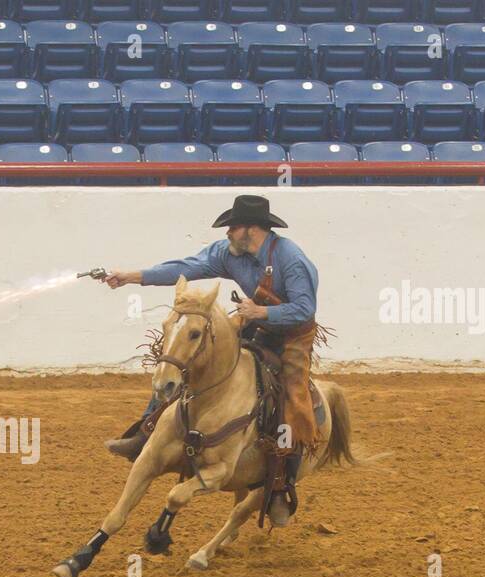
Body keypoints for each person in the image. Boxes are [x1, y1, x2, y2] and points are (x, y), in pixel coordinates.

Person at [100, 194, 323, 523]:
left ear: (251, 230)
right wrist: (132, 276)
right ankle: (145, 434)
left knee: (292, 400)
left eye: (232, 227)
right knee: (183, 362)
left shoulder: (292, 259)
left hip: (292, 336)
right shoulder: (229, 253)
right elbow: (185, 267)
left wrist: (261, 310)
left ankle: (279, 484)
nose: (227, 233)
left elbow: (305, 309)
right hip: (254, 322)